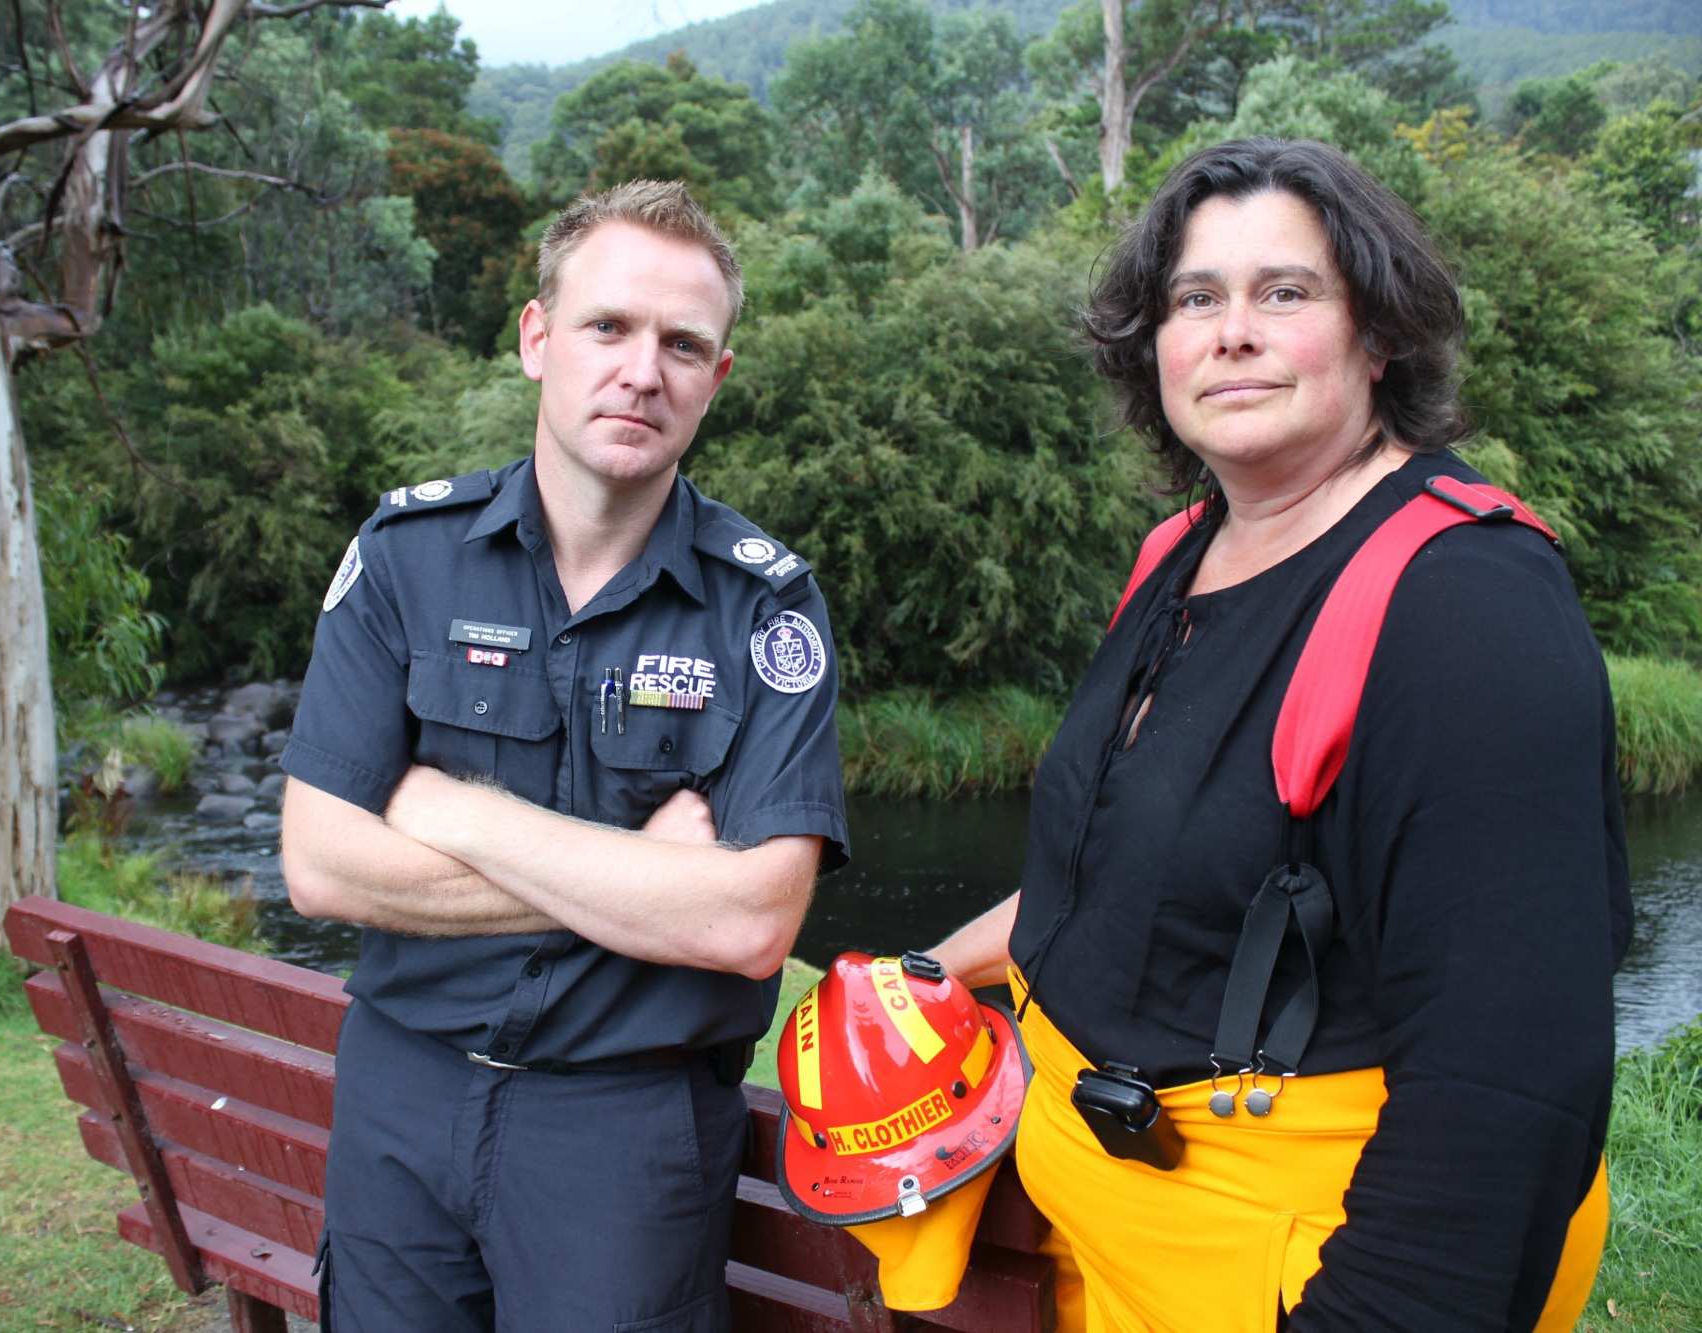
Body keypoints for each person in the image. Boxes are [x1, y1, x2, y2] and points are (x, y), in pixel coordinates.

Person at [931, 138, 1630, 1331]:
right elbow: (1119, 882)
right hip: (1107, 1238)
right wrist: (932, 974)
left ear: (1380, 334)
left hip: (1290, 1268)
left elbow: (1503, 1093)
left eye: (1284, 292)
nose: (1229, 331)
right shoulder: (1178, 555)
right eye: (1194, 297)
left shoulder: (1464, 604)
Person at [278, 179, 849, 1333]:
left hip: (621, 1135)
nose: (643, 369)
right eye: (609, 326)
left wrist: (455, 812)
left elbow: (745, 925)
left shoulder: (763, 610)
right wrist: (641, 876)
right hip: (403, 1091)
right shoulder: (405, 557)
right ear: (537, 339)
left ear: (715, 379)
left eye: (683, 343)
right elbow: (322, 868)